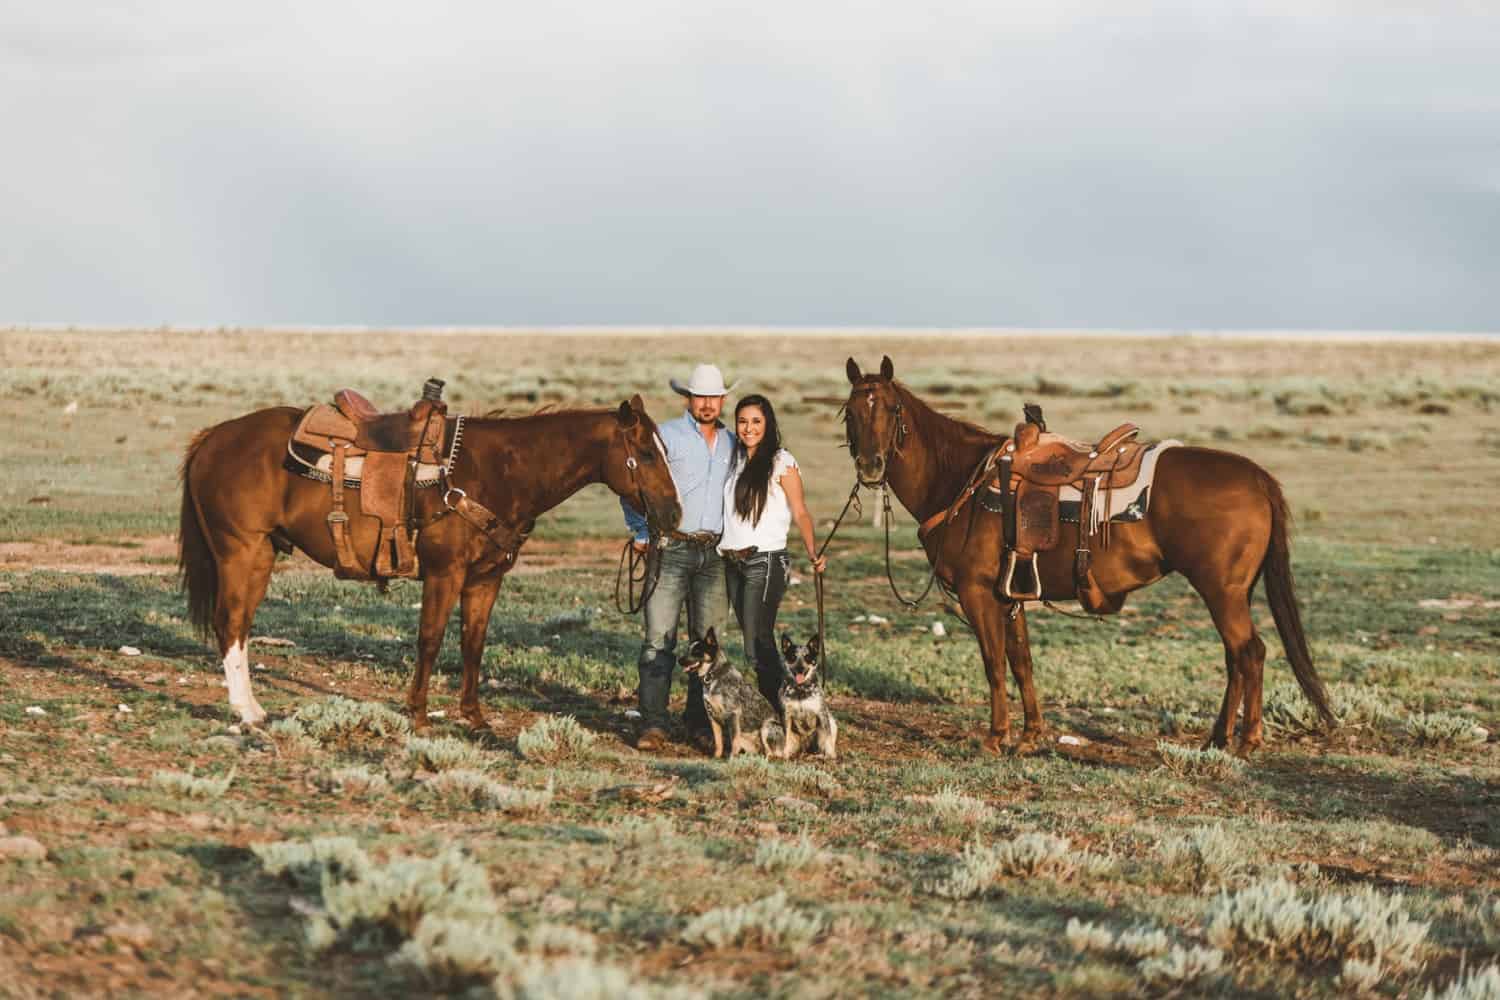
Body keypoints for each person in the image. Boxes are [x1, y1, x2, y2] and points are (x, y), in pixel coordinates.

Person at [623, 363, 737, 751]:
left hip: (716, 552)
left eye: (713, 397)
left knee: (710, 643)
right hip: (672, 546)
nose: (707, 404)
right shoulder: (665, 435)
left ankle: (700, 722)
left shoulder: (734, 443)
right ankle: (653, 723)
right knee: (659, 639)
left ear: (723, 400)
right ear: (688, 399)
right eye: (699, 396)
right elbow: (633, 484)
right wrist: (640, 531)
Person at [717, 393, 828, 709]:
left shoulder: (781, 460)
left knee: (757, 644)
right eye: (742, 421)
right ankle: (787, 708)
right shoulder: (735, 460)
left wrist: (813, 551)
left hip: (764, 560)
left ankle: (788, 708)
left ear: (768, 424)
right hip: (732, 562)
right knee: (756, 643)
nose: (748, 428)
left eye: (756, 421)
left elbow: (800, 510)